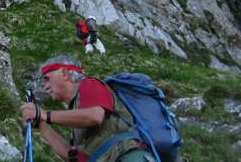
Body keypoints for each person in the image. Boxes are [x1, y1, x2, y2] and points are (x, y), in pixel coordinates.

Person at [20, 56, 154, 162]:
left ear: (65, 73)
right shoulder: (76, 112)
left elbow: (95, 116)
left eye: (47, 79)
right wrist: (41, 124)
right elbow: (72, 157)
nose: (46, 86)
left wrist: (44, 114)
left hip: (128, 157)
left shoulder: (90, 84)